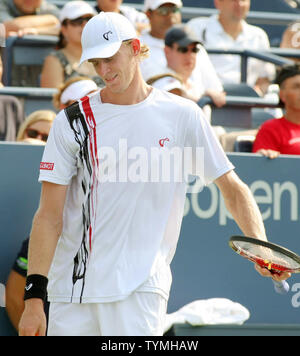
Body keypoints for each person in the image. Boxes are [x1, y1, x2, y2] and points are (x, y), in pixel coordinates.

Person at [18, 12, 290, 337]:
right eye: (95, 63)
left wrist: (261, 247)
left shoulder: (183, 115)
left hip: (142, 291)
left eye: (110, 58)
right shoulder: (72, 122)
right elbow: (48, 216)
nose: (104, 71)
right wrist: (34, 298)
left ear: (136, 48)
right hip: (71, 293)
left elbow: (232, 187)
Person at [187, 0, 275, 97]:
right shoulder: (196, 27)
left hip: (245, 104)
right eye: (233, 0)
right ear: (218, 3)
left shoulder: (259, 36)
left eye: (244, 0)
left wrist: (257, 93)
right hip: (206, 100)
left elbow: (264, 79)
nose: (240, 4)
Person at [40, 1, 103, 88]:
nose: (85, 24)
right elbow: (53, 99)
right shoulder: (54, 60)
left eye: (89, 19)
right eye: (77, 20)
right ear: (64, 29)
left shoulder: (104, 57)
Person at [162, 24, 226, 107]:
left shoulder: (194, 83)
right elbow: (175, 95)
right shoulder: (162, 78)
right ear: (167, 52)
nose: (190, 55)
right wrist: (206, 97)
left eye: (194, 50)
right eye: (183, 49)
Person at [252, 64, 300, 158]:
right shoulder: (271, 129)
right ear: (282, 95)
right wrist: (265, 155)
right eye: (297, 87)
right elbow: (260, 167)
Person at [139, 0, 182, 81]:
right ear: (148, 14)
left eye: (174, 10)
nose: (170, 15)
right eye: (163, 11)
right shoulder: (135, 48)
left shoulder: (195, 47)